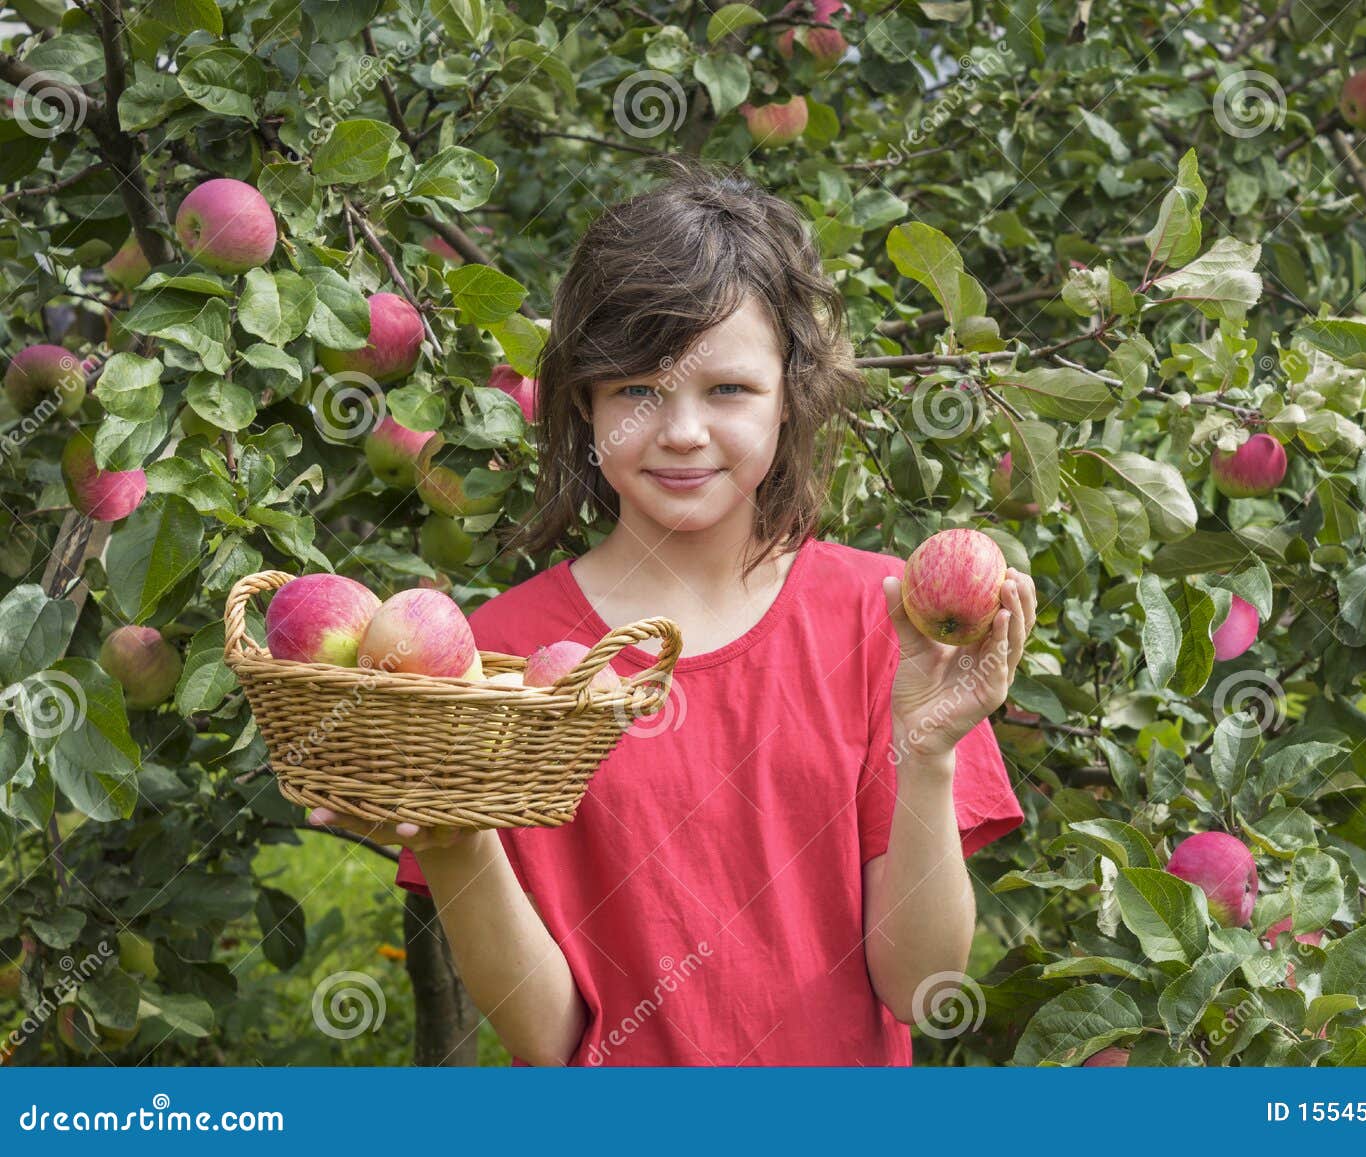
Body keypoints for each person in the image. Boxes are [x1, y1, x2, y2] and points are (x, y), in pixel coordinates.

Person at [306, 157, 1038, 1066]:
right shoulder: (496, 660)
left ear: (788, 395)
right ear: (584, 401)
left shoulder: (883, 621)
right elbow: (552, 1034)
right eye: (639, 390)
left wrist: (925, 755)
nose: (683, 430)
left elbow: (920, 985)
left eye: (727, 389)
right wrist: (458, 840)